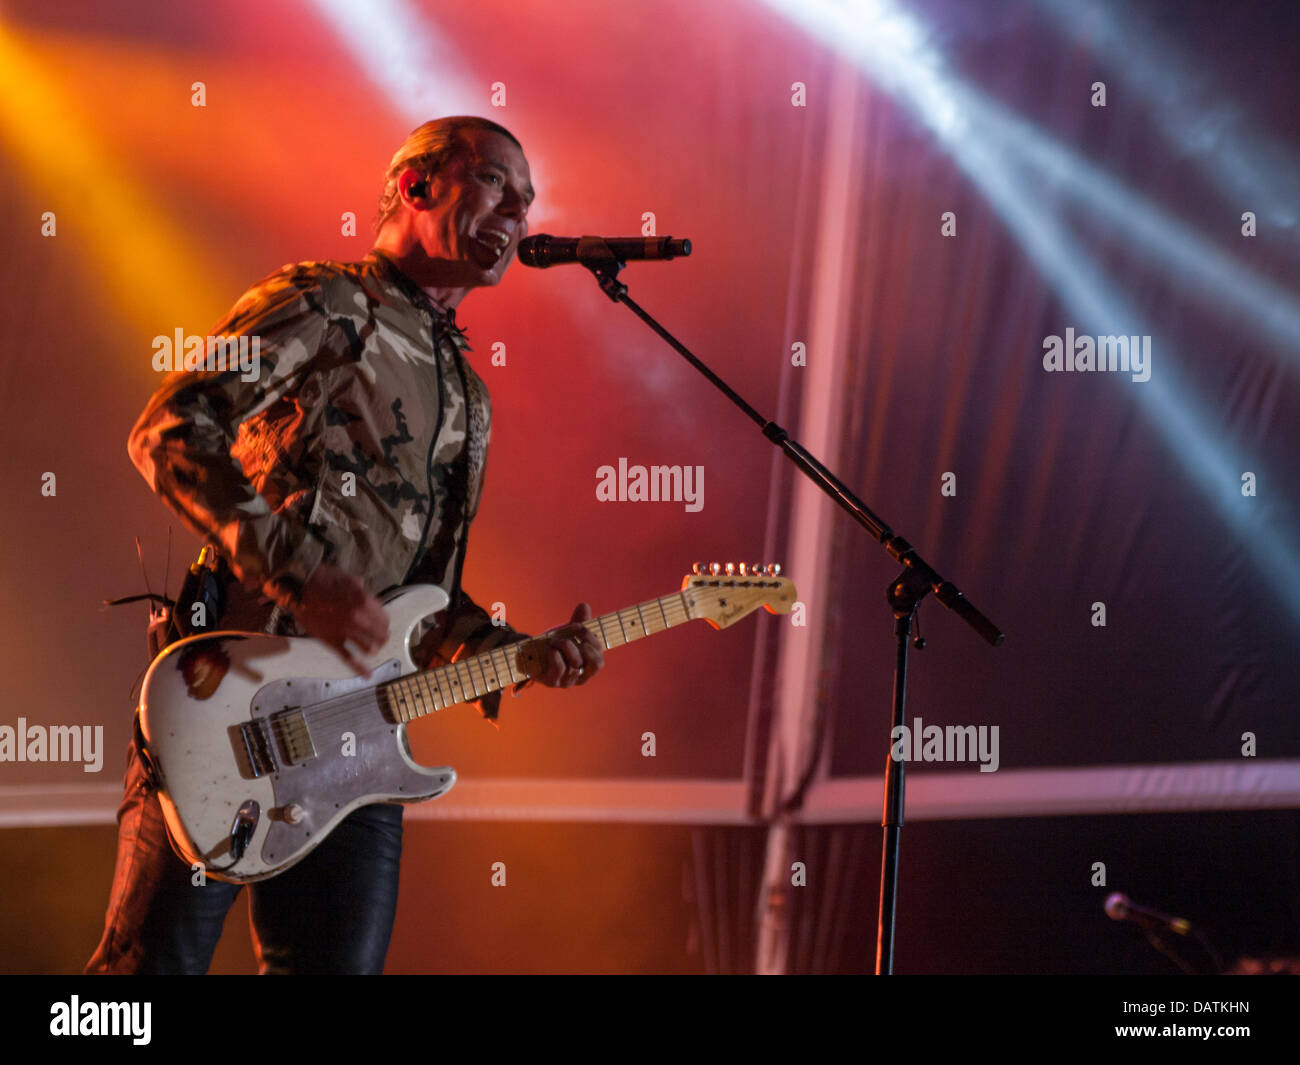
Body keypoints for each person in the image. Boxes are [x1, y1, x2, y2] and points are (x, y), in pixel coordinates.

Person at [85, 116, 604, 974]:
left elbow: (426, 600)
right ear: (416, 185)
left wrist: (520, 653)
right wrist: (300, 573)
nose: (518, 212)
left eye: (527, 198)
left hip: (358, 739)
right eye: (495, 182)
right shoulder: (331, 301)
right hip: (230, 702)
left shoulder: (469, 394)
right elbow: (170, 430)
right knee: (142, 979)